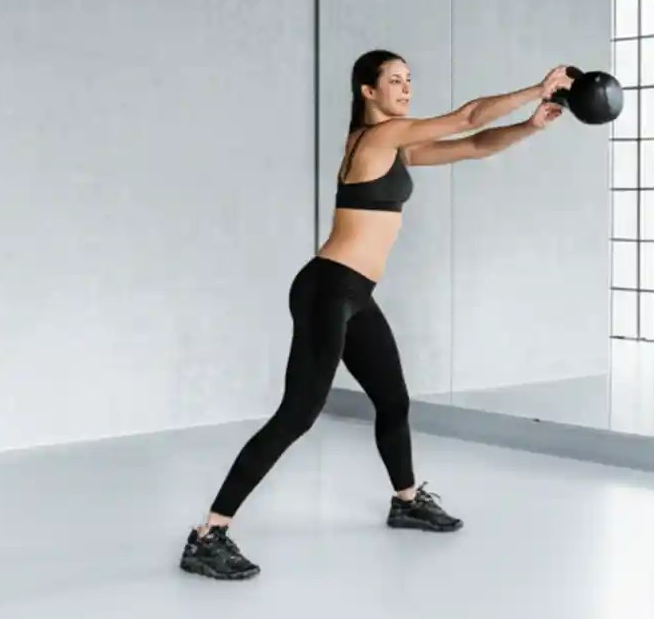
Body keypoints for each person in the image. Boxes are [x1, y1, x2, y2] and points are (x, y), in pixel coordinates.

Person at [178, 49, 573, 580]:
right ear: (368, 90)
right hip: (328, 288)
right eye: (394, 80)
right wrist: (536, 88)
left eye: (409, 80)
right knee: (297, 414)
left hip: (354, 292)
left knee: (393, 399)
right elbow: (468, 117)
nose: (406, 88)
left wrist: (530, 126)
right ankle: (209, 534)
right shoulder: (378, 138)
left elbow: (476, 144)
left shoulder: (396, 147)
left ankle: (406, 500)